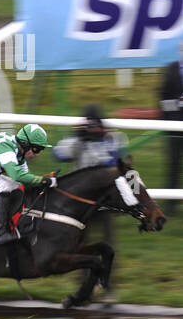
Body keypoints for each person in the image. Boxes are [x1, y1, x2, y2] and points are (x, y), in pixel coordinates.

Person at [53, 105, 128, 248]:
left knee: (107, 237)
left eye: (96, 125)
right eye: (90, 126)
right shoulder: (78, 138)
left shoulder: (111, 138)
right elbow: (58, 155)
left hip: (103, 196)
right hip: (82, 196)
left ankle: (108, 263)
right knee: (81, 236)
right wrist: (78, 139)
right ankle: (84, 265)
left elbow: (115, 160)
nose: (93, 129)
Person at [160, 39, 183, 217]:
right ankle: (171, 205)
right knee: (174, 165)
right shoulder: (171, 69)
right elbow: (163, 97)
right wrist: (177, 106)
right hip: (175, 128)